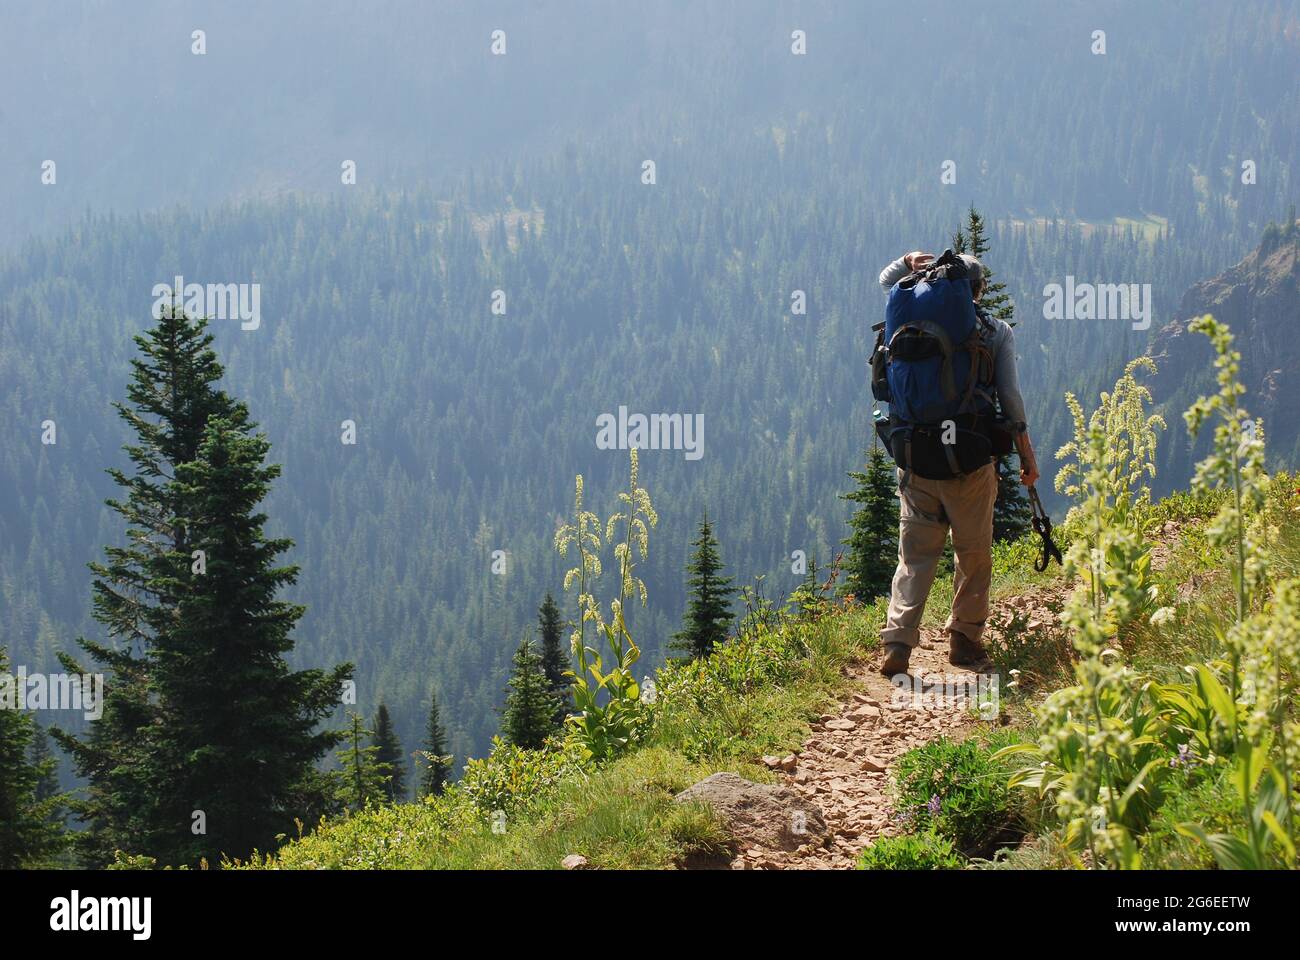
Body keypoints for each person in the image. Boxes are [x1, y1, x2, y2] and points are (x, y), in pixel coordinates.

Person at [875, 250, 1039, 676]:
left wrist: (909, 260)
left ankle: (897, 643)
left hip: (915, 459)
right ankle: (964, 641)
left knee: (914, 557)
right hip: (968, 462)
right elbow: (1011, 399)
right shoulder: (994, 331)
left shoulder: (903, 317)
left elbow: (885, 278)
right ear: (977, 291)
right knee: (972, 553)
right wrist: (1027, 456)